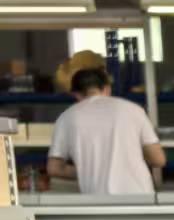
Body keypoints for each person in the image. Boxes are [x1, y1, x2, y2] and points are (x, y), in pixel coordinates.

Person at [46, 67, 164, 195]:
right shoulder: (134, 110)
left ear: (76, 94)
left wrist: (88, 171)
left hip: (98, 198)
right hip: (140, 195)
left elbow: (54, 168)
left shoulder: (67, 117)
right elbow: (158, 159)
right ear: (107, 89)